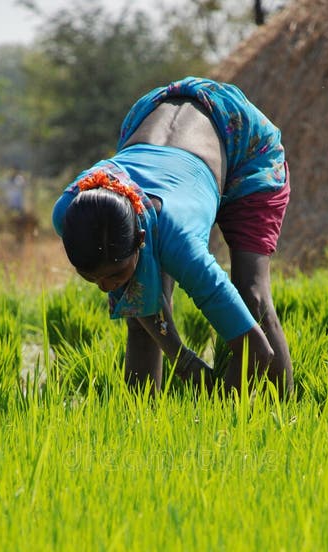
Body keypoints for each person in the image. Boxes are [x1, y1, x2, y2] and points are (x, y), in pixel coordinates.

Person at [52, 77, 293, 396]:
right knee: (138, 320)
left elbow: (257, 351)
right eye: (90, 277)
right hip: (155, 120)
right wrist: (185, 362)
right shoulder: (71, 213)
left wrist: (220, 424)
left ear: (140, 237)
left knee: (253, 297)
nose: (106, 287)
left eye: (114, 274)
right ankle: (137, 436)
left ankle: (286, 415)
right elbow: (141, 301)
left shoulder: (179, 242)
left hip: (242, 141)